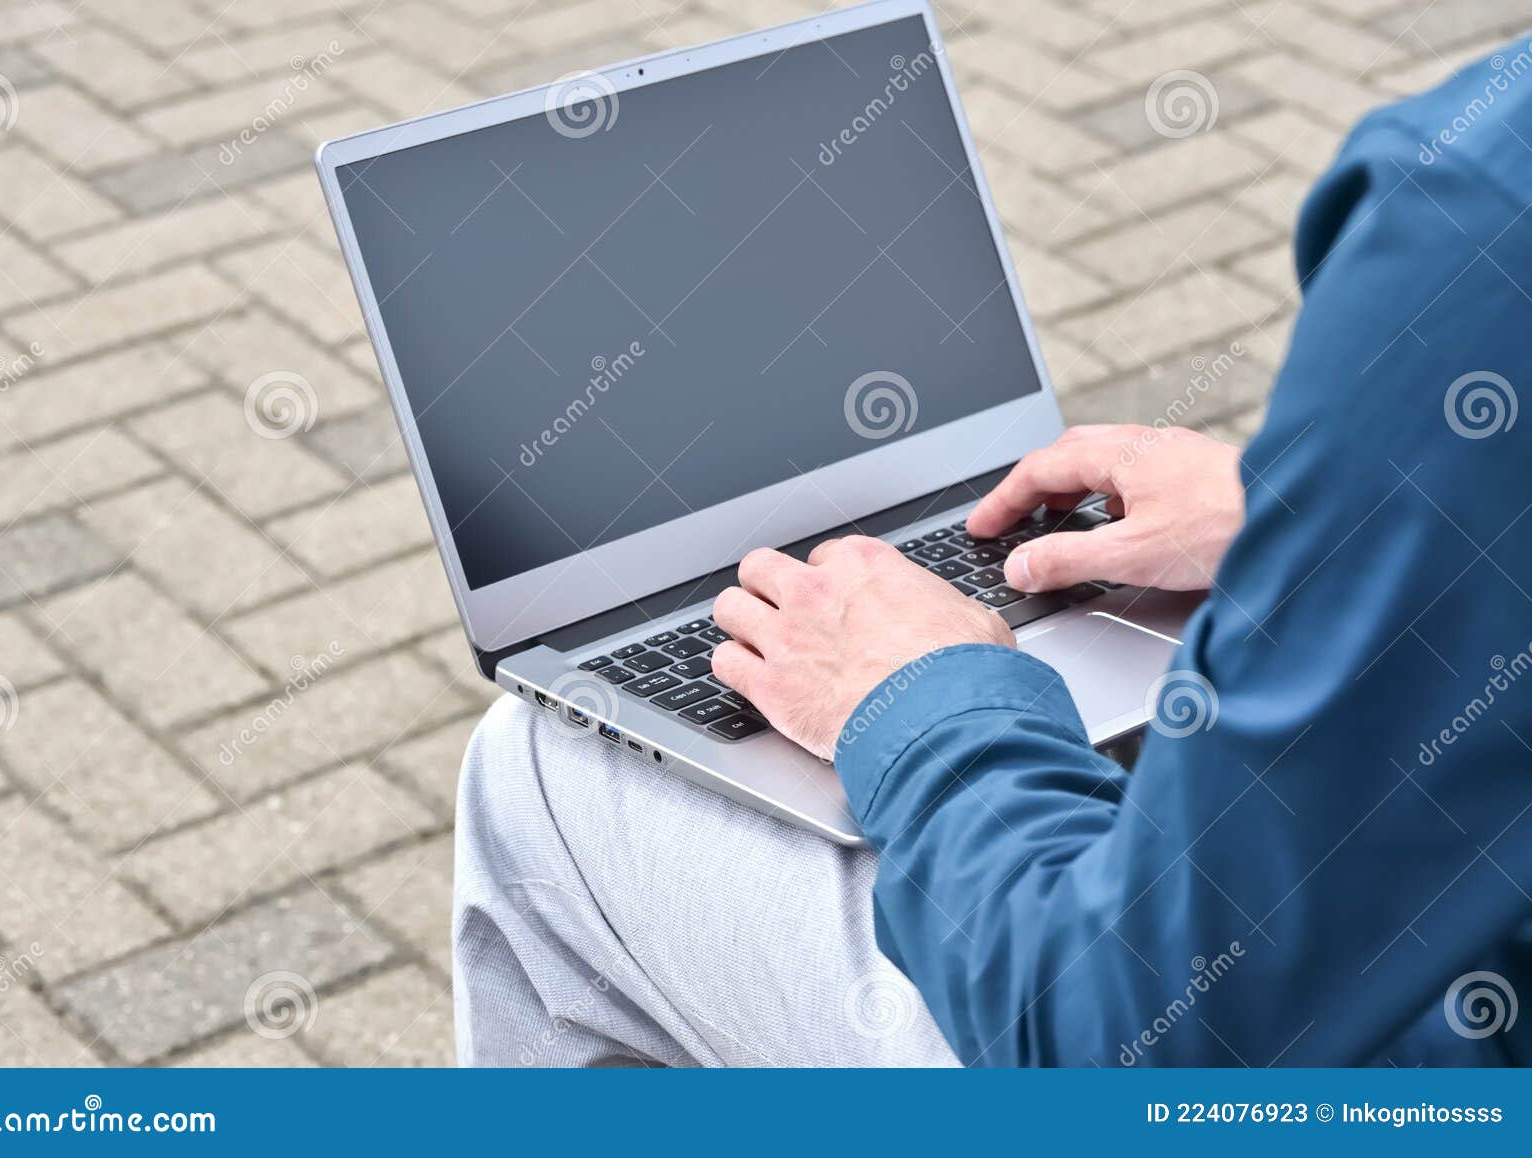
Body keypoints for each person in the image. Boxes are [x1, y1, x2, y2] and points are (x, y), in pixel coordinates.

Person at [453, 48, 1532, 1066]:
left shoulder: (1475, 220)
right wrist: (1332, 522)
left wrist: (923, 699)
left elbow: (1126, 1043)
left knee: (545, 761)